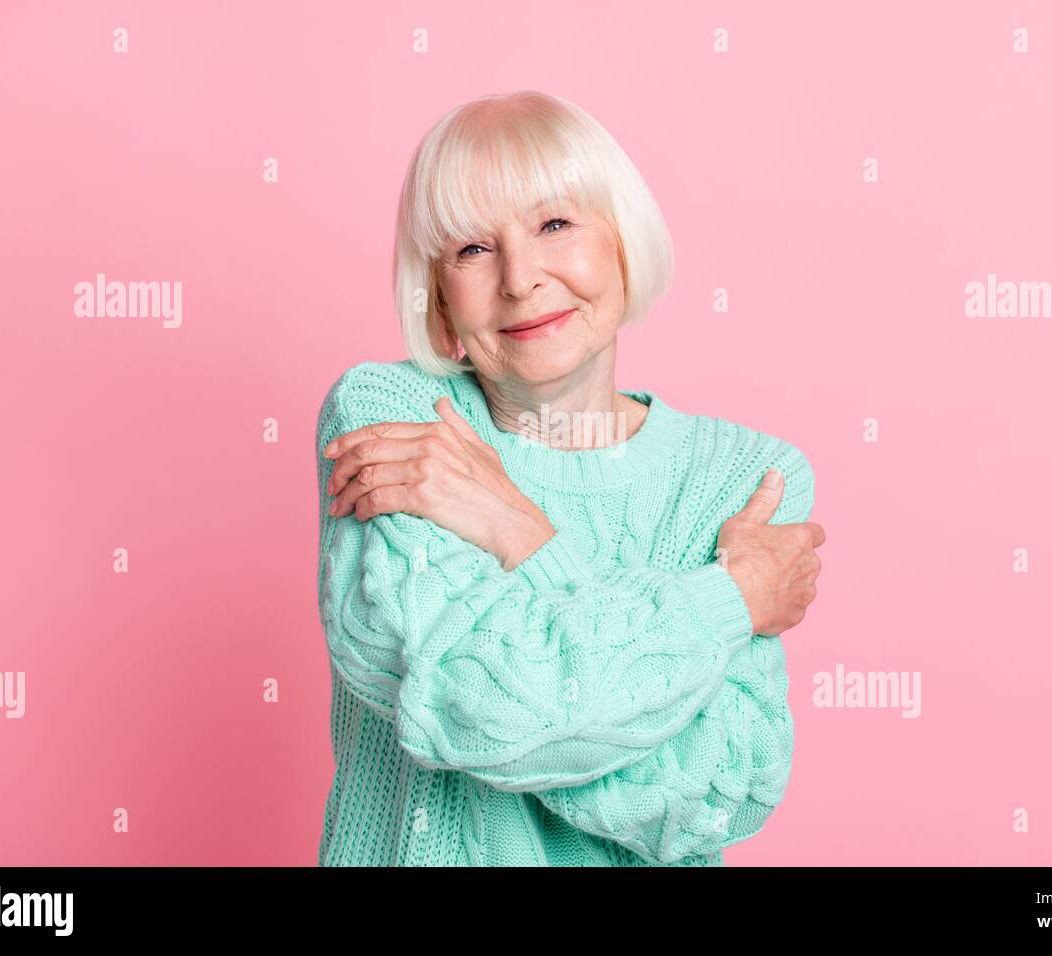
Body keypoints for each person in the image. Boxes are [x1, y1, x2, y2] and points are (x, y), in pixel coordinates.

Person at [315, 90, 825, 866]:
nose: (521, 279)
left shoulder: (746, 478)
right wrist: (728, 601)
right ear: (441, 300)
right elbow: (463, 704)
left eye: (555, 224)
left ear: (623, 243)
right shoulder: (396, 417)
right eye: (472, 250)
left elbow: (711, 797)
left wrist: (518, 529)